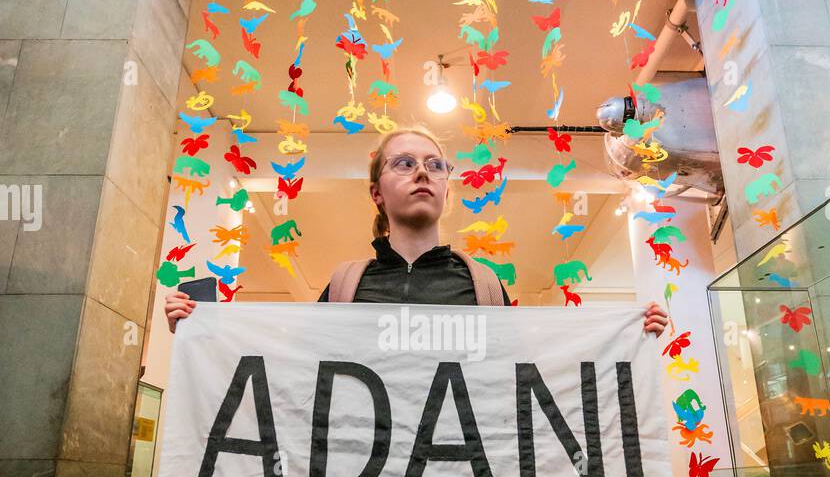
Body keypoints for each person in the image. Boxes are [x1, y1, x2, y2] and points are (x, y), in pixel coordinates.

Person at [165, 125, 668, 329]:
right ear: (376, 192)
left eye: (435, 164)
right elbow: (292, 370)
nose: (423, 171)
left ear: (448, 188)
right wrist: (200, 332)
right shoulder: (346, 286)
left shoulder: (485, 286)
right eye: (403, 163)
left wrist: (629, 335)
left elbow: (530, 370)